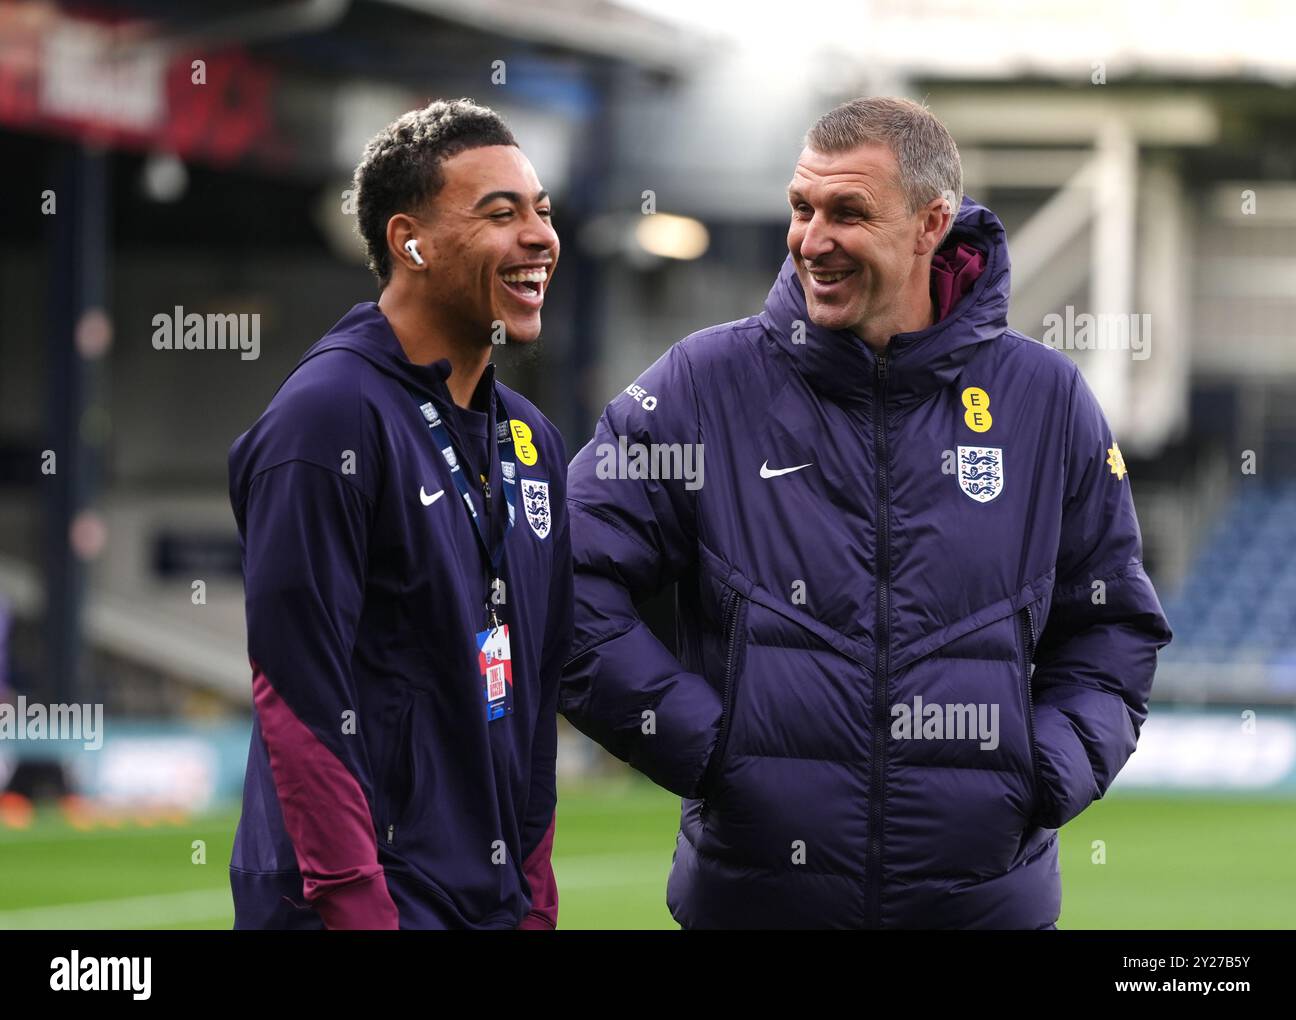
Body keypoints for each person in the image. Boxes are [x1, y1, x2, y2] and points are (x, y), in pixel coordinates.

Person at [560, 96, 1172, 929]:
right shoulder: (701, 386)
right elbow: (565, 581)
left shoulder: (1045, 400)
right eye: (801, 209)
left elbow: (1112, 627)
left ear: (931, 224)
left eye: (848, 212)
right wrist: (705, 746)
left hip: (983, 908)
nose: (813, 240)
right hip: (756, 905)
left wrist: (1045, 772)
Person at [228, 98, 571, 929]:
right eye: (502, 213)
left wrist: (534, 896)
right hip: (356, 904)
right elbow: (300, 695)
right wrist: (354, 906)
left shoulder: (533, 443)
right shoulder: (328, 418)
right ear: (408, 241)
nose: (539, 237)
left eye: (542, 211)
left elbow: (527, 695)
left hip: (486, 900)